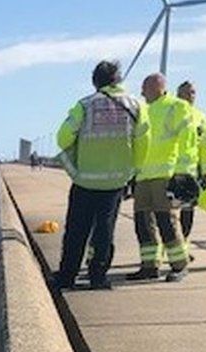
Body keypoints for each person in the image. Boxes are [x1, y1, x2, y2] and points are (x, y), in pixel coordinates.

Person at [54, 60, 149, 290]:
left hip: (85, 179)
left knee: (77, 230)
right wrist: (132, 172)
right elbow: (143, 142)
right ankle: (98, 276)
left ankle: (67, 276)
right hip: (116, 181)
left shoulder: (85, 105)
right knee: (105, 231)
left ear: (95, 81)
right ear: (118, 80)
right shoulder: (136, 105)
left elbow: (62, 139)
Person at [127, 73, 192, 282]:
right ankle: (149, 265)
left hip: (165, 175)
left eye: (144, 88)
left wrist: (182, 174)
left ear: (157, 86)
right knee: (143, 223)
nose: (141, 92)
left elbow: (187, 142)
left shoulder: (176, 106)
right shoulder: (143, 109)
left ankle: (179, 265)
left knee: (167, 222)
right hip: (143, 177)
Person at [175, 80, 206, 260]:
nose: (190, 96)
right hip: (169, 171)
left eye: (192, 92)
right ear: (178, 94)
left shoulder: (202, 118)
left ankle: (182, 247)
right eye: (186, 92)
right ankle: (170, 248)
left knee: (187, 212)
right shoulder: (171, 113)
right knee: (166, 214)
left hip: (191, 174)